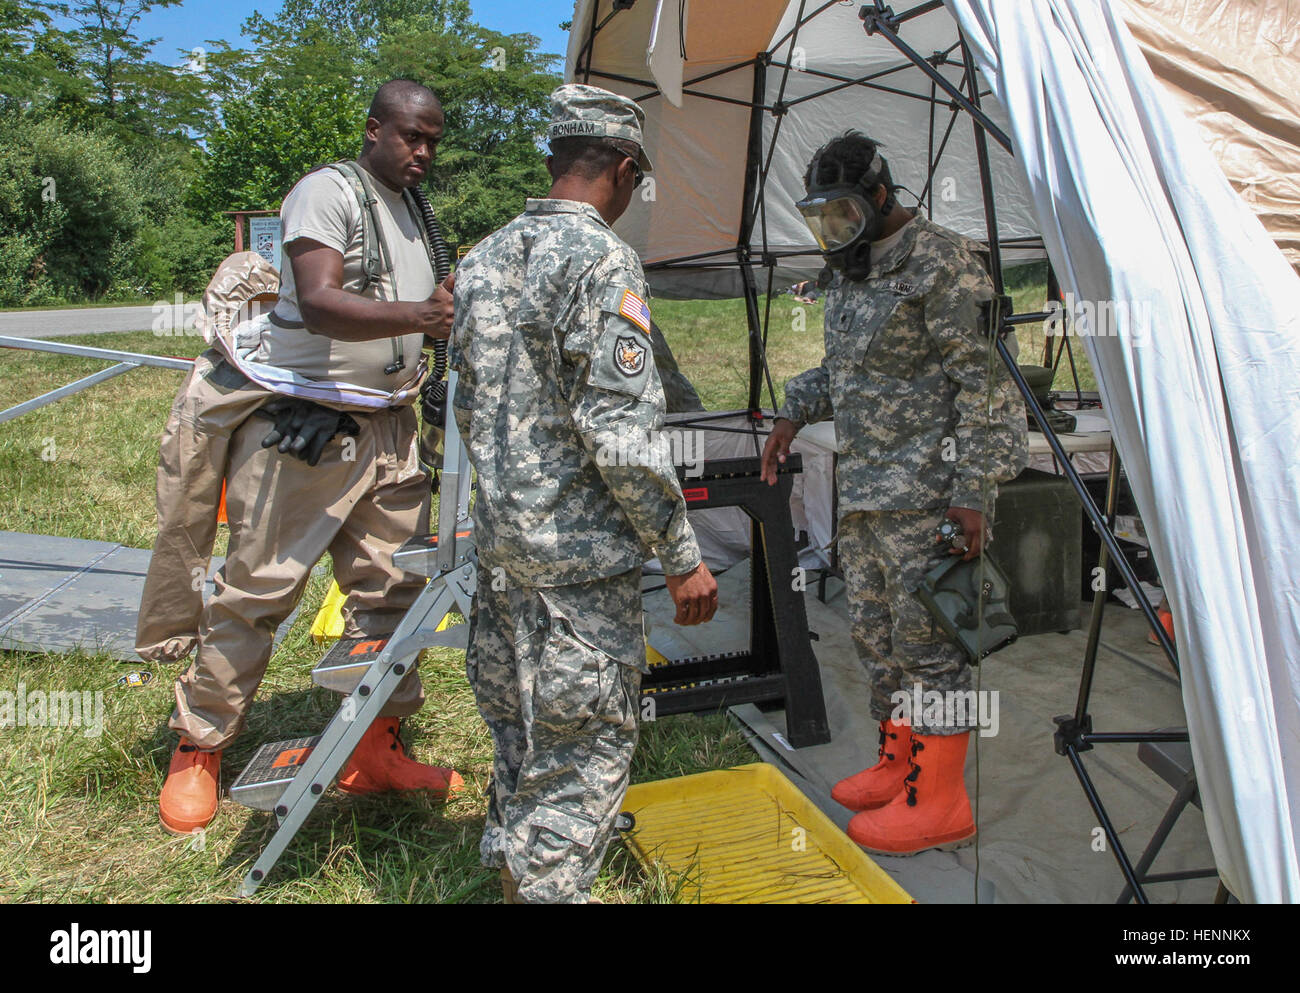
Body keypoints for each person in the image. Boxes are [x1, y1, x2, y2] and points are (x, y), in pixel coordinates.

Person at [152, 79, 463, 837]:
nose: (423, 152)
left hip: (389, 427)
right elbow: (320, 299)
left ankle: (373, 745)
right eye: (410, 137)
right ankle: (200, 744)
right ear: (373, 129)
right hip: (308, 426)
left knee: (394, 593)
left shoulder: (411, 207)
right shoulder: (329, 192)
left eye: (432, 140)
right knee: (258, 587)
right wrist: (423, 316)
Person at [452, 83, 719, 904]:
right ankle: (546, 889)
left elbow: (461, 404)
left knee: (521, 731)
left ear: (555, 160)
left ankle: (512, 869)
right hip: (577, 571)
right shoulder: (603, 262)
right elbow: (623, 436)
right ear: (626, 169)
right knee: (584, 751)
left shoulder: (481, 258)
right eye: (638, 184)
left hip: (499, 557)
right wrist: (681, 556)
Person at [761, 131, 1027, 855]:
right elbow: (847, 370)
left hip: (933, 499)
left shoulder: (943, 263)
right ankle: (898, 764)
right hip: (870, 495)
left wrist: (973, 490)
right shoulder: (850, 271)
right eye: (822, 218)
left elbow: (986, 387)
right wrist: (793, 410)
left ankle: (941, 801)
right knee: (878, 637)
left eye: (844, 212)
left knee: (930, 646)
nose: (834, 230)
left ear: (880, 195)